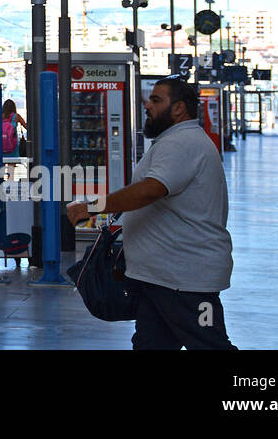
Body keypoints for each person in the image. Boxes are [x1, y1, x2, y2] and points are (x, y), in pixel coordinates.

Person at [66, 77, 236, 350]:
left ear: (179, 108)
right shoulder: (175, 141)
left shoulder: (181, 143)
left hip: (184, 281)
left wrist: (91, 207)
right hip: (161, 278)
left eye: (156, 100)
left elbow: (150, 190)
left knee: (210, 346)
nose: (148, 105)